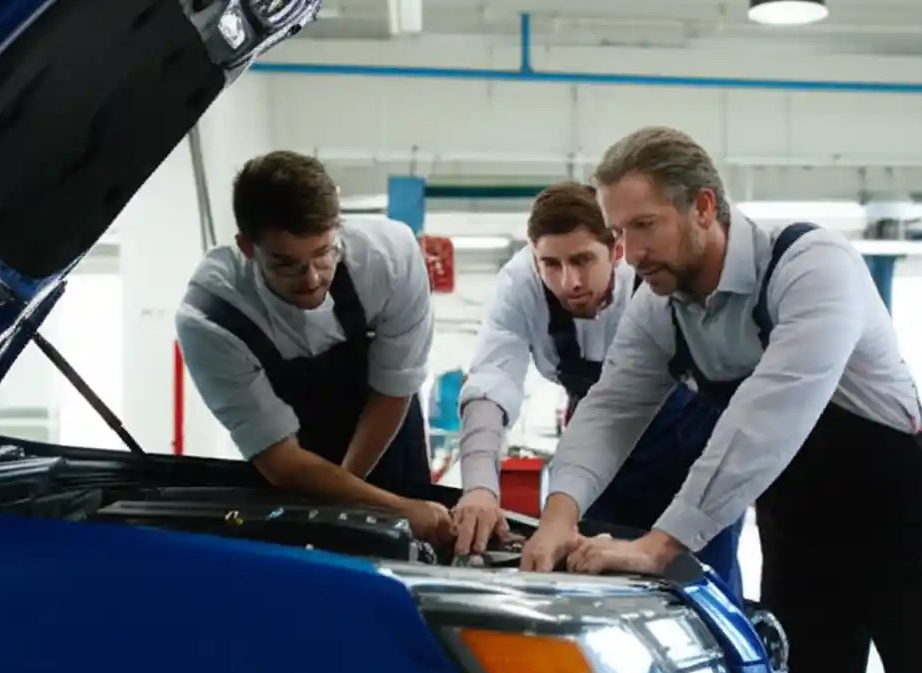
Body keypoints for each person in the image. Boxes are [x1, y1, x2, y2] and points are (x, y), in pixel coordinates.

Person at [520, 128, 922, 673]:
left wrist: (660, 545)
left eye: (645, 225)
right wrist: (558, 517)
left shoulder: (812, 266)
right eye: (619, 233)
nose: (632, 253)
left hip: (902, 514)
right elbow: (611, 410)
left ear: (703, 207)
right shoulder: (657, 308)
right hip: (799, 525)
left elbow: (769, 414)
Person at [450, 182, 744, 596]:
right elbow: (491, 381)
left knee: (702, 591)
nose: (569, 281)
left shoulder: (656, 277)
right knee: (589, 581)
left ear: (617, 249)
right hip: (596, 455)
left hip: (690, 451)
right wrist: (480, 487)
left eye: (583, 260)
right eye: (549, 263)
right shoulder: (520, 284)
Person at [175, 150, 451, 543]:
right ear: (247, 247)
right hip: (295, 464)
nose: (311, 278)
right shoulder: (212, 316)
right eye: (286, 264)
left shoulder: (389, 259)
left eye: (323, 254)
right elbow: (280, 459)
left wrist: (358, 502)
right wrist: (374, 508)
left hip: (383, 431)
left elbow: (393, 387)